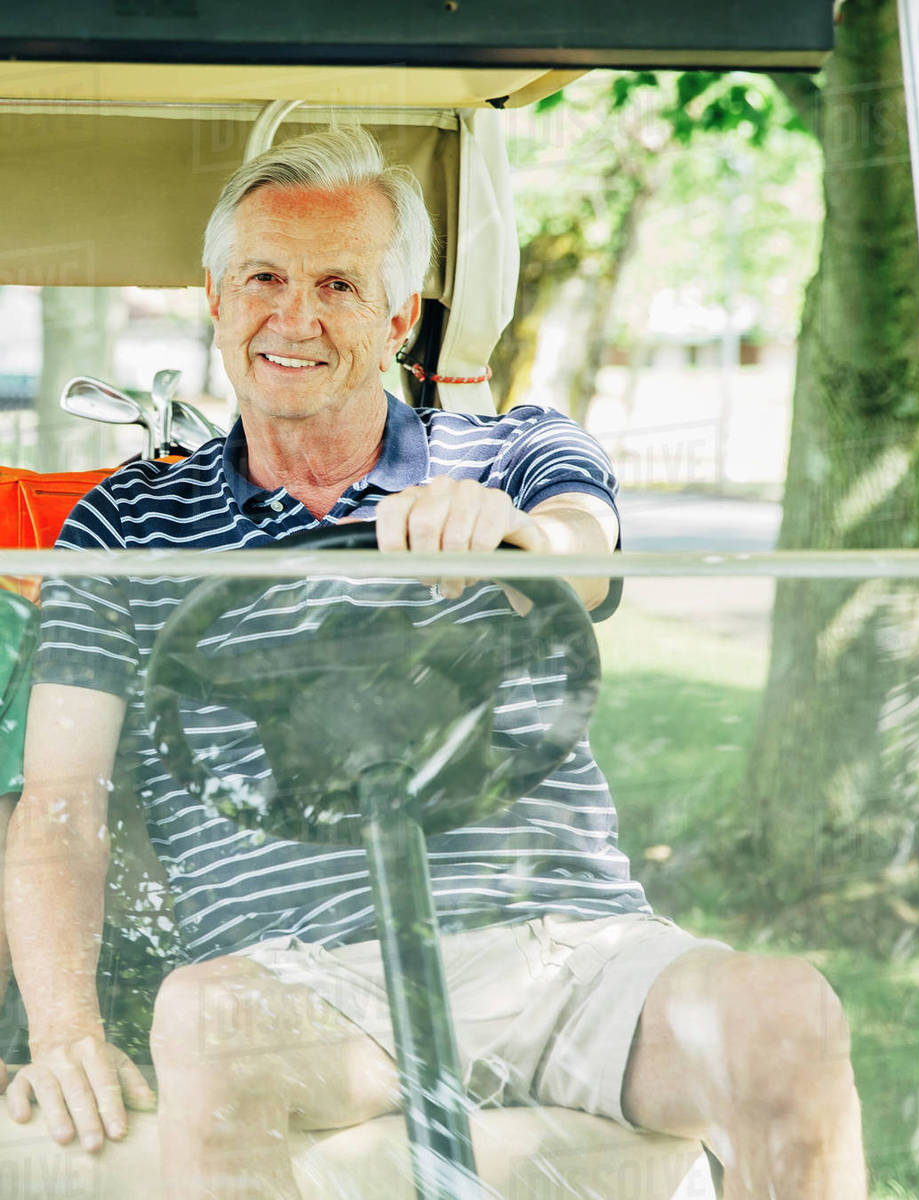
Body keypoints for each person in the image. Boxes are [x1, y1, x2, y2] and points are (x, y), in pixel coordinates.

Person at [4, 126, 865, 1199]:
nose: (296, 317)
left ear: (400, 316)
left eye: (340, 285)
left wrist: (511, 536)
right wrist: (65, 1026)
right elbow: (62, 798)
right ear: (216, 298)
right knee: (206, 1019)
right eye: (264, 278)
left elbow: (585, 559)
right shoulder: (122, 524)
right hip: (303, 981)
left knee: (788, 1016)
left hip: (567, 948)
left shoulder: (513, 452)